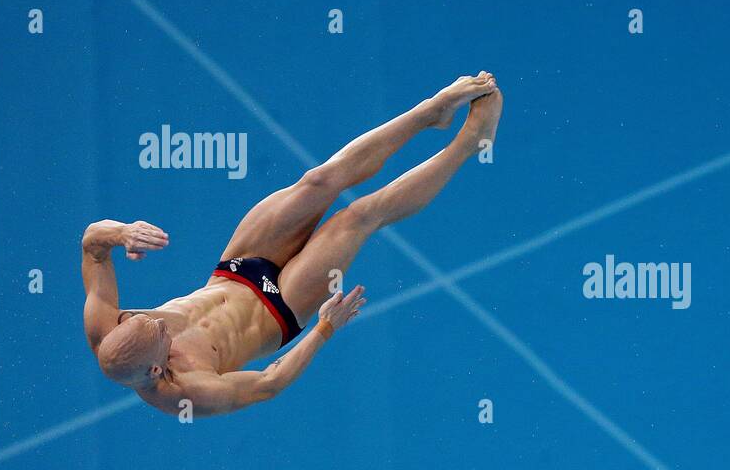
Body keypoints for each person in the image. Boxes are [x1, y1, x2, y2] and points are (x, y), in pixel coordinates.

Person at [82, 73, 502, 416]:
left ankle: (431, 113)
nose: (157, 320)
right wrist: (323, 328)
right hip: (279, 309)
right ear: (157, 368)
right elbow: (270, 384)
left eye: (145, 318)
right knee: (358, 216)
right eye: (158, 332)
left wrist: (119, 233)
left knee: (319, 180)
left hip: (235, 270)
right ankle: (470, 143)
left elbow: (90, 245)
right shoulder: (186, 395)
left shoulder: (107, 330)